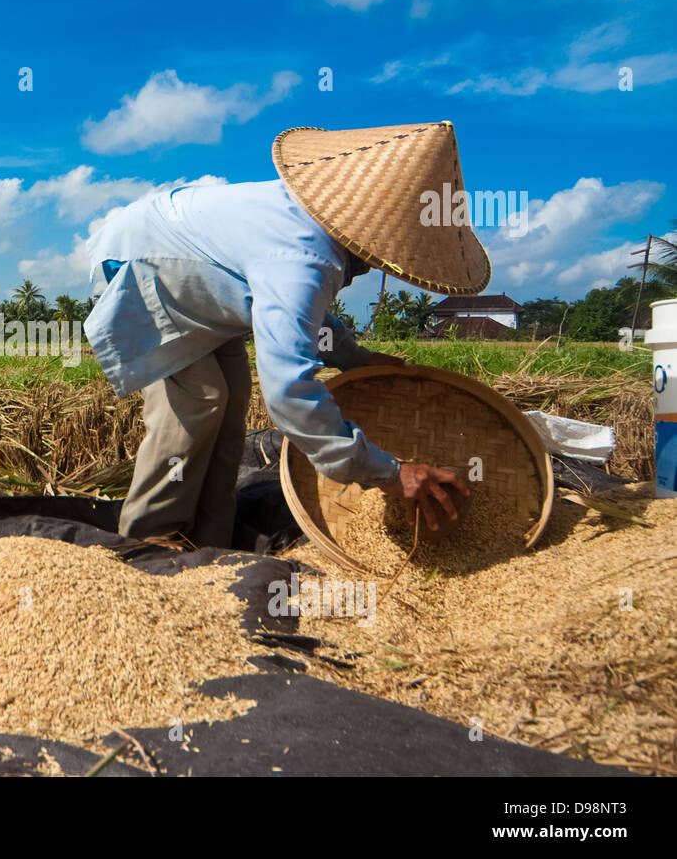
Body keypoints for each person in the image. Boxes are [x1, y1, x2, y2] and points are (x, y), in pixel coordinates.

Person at [83, 121, 480, 551]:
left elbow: (302, 317)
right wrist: (388, 473)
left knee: (232, 399)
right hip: (141, 265)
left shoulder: (309, 232)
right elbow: (289, 391)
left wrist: (353, 357)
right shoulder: (302, 254)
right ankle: (148, 538)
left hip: (206, 289)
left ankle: (211, 541)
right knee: (200, 400)